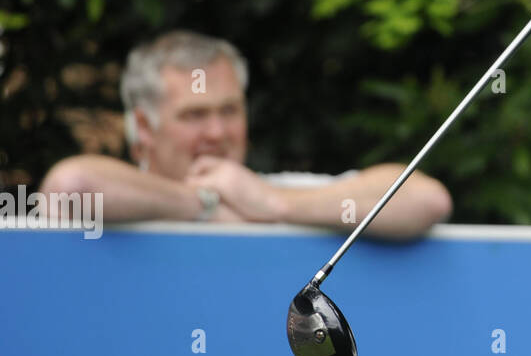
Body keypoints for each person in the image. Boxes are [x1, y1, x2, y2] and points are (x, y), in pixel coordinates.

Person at [38, 30, 451, 239]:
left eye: (229, 110)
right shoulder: (117, 200)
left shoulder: (270, 195)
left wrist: (273, 203)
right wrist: (203, 203)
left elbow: (425, 198)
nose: (217, 132)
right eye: (195, 115)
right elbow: (69, 187)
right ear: (144, 127)